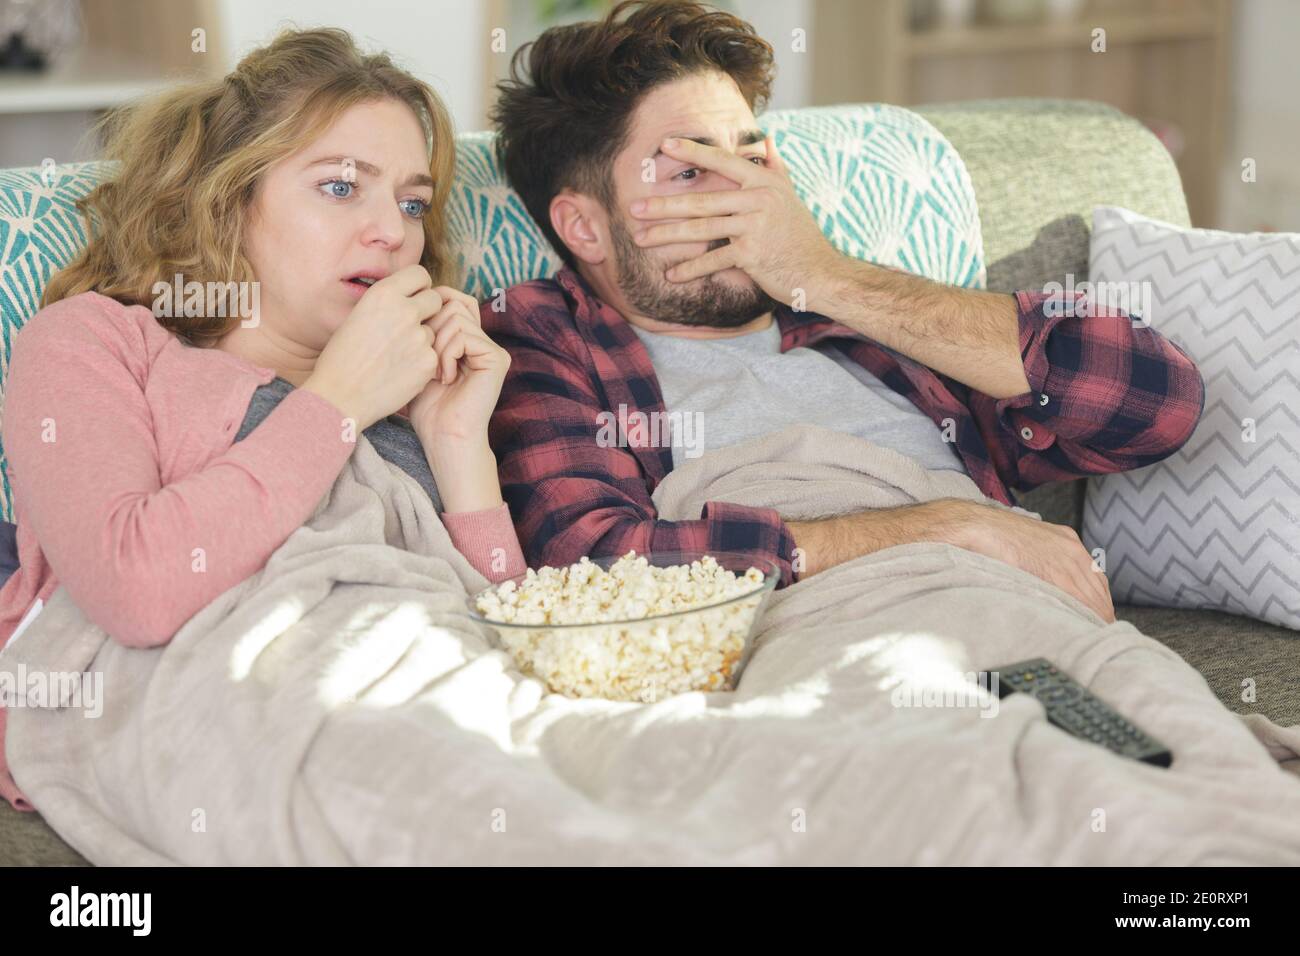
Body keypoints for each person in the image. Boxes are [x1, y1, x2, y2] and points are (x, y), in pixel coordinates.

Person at [485, 1, 1205, 619]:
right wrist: (949, 530)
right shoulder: (546, 337)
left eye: (751, 158)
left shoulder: (865, 318)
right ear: (584, 227)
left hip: (1024, 626)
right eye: (691, 171)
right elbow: (592, 565)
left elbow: (1155, 405)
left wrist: (825, 275)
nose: (746, 195)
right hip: (836, 656)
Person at [0, 28, 523, 814]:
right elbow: (133, 587)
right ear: (229, 197)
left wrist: (457, 445)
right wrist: (340, 401)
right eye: (342, 187)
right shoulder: (97, 341)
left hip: (440, 726)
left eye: (413, 202)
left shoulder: (416, 390)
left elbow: (518, 646)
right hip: (233, 734)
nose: (394, 231)